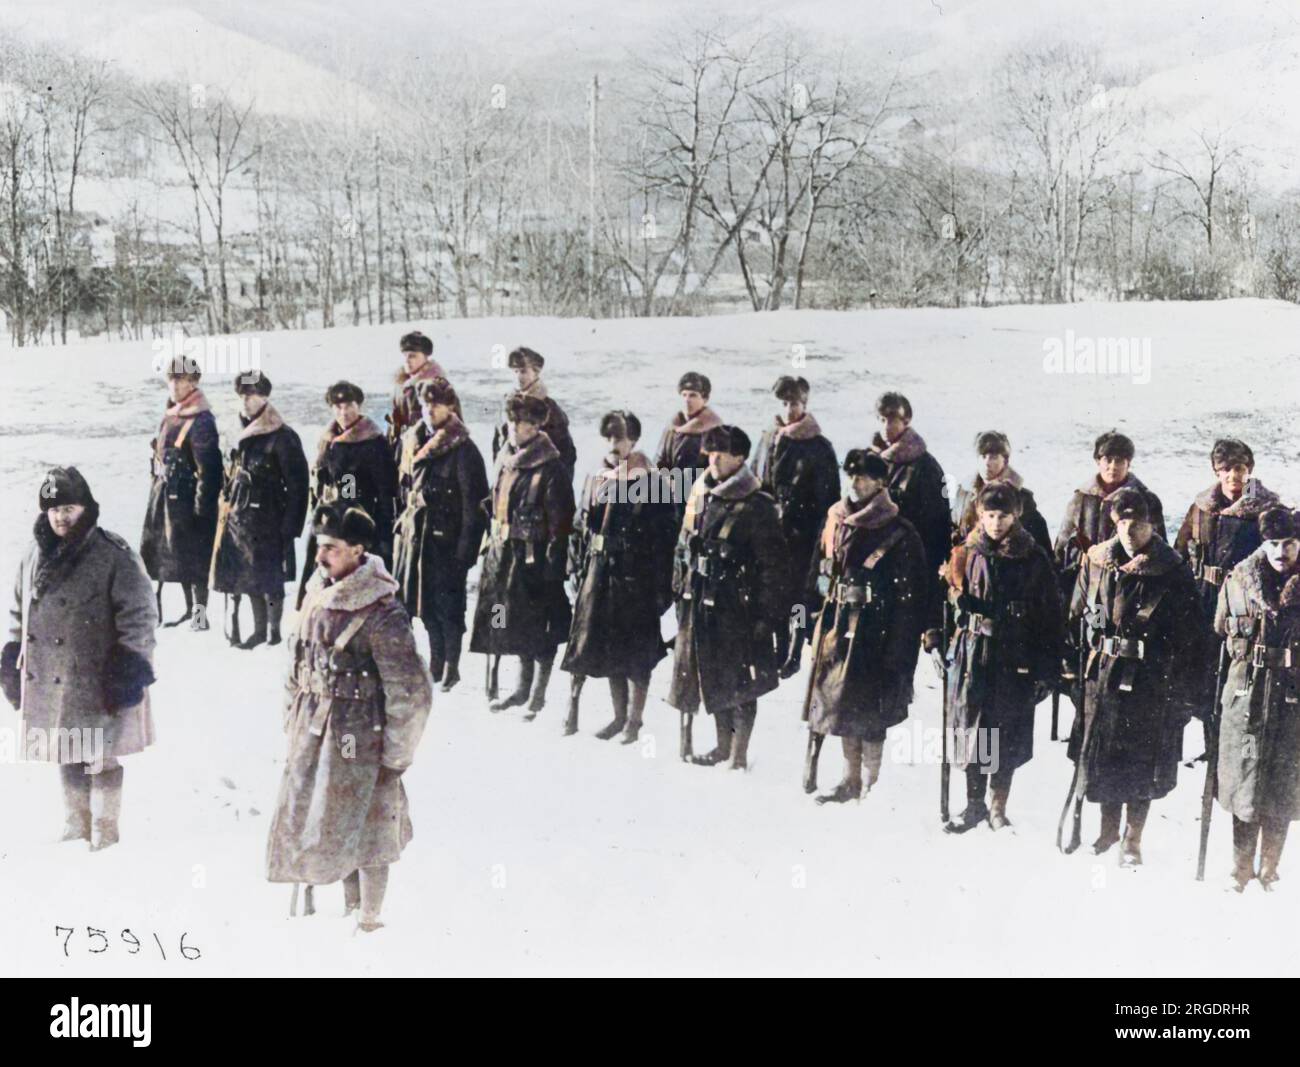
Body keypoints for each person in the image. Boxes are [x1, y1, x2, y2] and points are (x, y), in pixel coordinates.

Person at [266, 505, 433, 933]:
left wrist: (396, 756)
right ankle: (347, 909)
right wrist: (292, 718)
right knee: (324, 817)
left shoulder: (382, 612)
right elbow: (297, 661)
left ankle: (370, 920)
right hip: (314, 731)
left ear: (358, 551)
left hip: (362, 738)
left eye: (331, 549)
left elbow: (410, 693)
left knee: (371, 825)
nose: (320, 558)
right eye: (319, 547)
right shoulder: (317, 592)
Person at [2, 468, 158, 851]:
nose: (61, 517)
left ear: (85, 508)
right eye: (53, 509)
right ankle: (75, 826)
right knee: (66, 749)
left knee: (100, 757)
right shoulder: (33, 555)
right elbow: (18, 613)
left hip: (98, 679)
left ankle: (105, 833)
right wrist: (11, 655)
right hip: (54, 675)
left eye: (69, 507)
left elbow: (140, 617)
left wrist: (129, 669)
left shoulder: (113, 554)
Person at [1064, 488, 1205, 867]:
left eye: (1138, 522)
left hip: (1150, 681)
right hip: (1101, 676)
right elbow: (1076, 615)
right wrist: (1073, 669)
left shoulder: (1173, 570)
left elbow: (1191, 638)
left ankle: (1132, 839)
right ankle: (1108, 830)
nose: (1129, 529)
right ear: (1113, 521)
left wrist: (1183, 691)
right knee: (1103, 755)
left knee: (1141, 761)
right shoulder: (1096, 562)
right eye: (1122, 521)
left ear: (1152, 523)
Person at [803, 450, 926, 803]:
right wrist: (810, 616)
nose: (854, 484)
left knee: (872, 709)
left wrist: (901, 650)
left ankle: (873, 783)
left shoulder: (900, 532)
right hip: (836, 627)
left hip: (877, 632)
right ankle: (850, 779)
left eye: (863, 477)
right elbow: (818, 570)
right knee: (839, 703)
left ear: (881, 483)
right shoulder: (836, 521)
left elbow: (912, 599)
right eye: (851, 476)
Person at [943, 482, 1063, 832]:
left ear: (1016, 515)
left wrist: (1047, 669)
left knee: (1005, 730)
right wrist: (947, 624)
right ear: (980, 514)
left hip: (1015, 655)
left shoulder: (1033, 557)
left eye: (1004, 515)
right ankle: (973, 804)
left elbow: (1051, 616)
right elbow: (951, 599)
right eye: (991, 515)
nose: (997, 523)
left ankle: (998, 806)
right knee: (972, 728)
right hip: (971, 654)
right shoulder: (966, 552)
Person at [668, 424, 789, 770]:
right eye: (710, 452)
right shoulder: (701, 494)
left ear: (740, 457)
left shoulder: (758, 504)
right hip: (700, 599)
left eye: (721, 453)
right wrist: (679, 590)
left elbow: (773, 568)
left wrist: (767, 617)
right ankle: (722, 746)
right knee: (708, 672)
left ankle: (739, 754)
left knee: (741, 682)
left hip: (738, 606)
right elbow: (682, 545)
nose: (713, 459)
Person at [561, 411, 677, 742]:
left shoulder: (651, 482)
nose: (614, 445)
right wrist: (576, 568)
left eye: (620, 439)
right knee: (607, 643)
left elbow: (665, 538)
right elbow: (580, 527)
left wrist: (660, 588)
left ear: (634, 442)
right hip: (599, 572)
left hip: (635, 576)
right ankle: (617, 717)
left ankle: (634, 722)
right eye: (609, 438)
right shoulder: (596, 477)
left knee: (637, 649)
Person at [470, 392, 576, 717]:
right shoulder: (507, 461)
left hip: (535, 562)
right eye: (512, 422)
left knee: (540, 627)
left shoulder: (551, 467)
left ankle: (538, 694)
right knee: (506, 621)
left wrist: (554, 571)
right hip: (502, 557)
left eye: (524, 423)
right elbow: (495, 502)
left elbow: (561, 525)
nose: (516, 428)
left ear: (537, 426)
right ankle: (519, 688)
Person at [1214, 507, 1300, 892]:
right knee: (1245, 782)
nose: (1281, 551)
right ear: (1263, 544)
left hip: (1293, 702)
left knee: (1282, 783)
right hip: (1246, 702)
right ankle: (1240, 867)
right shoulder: (1238, 581)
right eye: (1273, 544)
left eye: (1290, 544)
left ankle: (1270, 869)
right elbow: (1220, 630)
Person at [393, 377, 489, 692]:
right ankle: (435, 663)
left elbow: (473, 507)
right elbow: (405, 487)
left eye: (436, 404)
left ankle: (452, 667)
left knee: (449, 608)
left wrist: (466, 551)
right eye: (425, 404)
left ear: (450, 407)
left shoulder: (464, 450)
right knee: (426, 606)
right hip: (417, 541)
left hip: (447, 544)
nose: (430, 410)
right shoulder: (413, 442)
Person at [210, 372, 310, 649]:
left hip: (271, 519)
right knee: (249, 574)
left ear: (265, 398)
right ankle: (258, 631)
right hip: (241, 518)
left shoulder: (283, 436)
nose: (246, 400)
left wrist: (291, 527)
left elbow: (299, 486)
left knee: (271, 577)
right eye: (242, 395)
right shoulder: (237, 432)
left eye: (252, 395)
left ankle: (274, 632)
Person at [752, 375, 839, 675]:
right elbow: (756, 480)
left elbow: (829, 501)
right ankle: (778, 647)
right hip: (771, 532)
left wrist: (820, 538)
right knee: (774, 588)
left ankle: (795, 649)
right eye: (785, 403)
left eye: (796, 403)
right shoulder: (767, 439)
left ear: (806, 404)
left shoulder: (819, 447)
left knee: (800, 594)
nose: (790, 409)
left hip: (803, 535)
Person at [140, 357, 222, 629]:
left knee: (196, 559)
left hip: (190, 502)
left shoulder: (201, 420)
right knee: (178, 555)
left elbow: (209, 470)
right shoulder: (171, 413)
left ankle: (200, 616)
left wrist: (202, 508)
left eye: (181, 380)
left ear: (193, 382)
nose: (174, 386)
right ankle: (189, 611)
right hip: (166, 497)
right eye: (171, 380)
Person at [301, 380, 399, 604]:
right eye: (338, 407)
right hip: (329, 520)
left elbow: (386, 491)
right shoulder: (328, 440)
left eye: (349, 406)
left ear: (359, 407)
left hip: (360, 523)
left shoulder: (374, 442)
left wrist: (383, 534)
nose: (343, 412)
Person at [868, 391, 950, 640]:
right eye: (881, 420)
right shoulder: (869, 461)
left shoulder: (925, 467)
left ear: (907, 421)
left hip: (908, 564)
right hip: (874, 565)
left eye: (892, 420)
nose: (886, 427)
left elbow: (938, 527)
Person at [1054, 429, 1166, 603]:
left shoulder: (1146, 500)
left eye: (1119, 460)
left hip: (1131, 585)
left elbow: (1159, 548)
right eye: (1107, 459)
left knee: (1123, 626)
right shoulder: (1081, 499)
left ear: (1128, 463)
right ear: (1098, 461)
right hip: (1090, 584)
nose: (1113, 466)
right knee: (1095, 623)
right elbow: (1062, 546)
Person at [949, 430, 1051, 555]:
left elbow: (1039, 544)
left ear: (1005, 461)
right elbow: (954, 529)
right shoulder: (964, 493)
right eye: (983, 456)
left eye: (993, 457)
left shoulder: (1021, 498)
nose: (987, 463)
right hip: (971, 567)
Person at [490, 347, 576, 479]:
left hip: (540, 484)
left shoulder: (551, 410)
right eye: (515, 371)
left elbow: (566, 456)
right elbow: (498, 445)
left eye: (523, 371)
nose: (518, 376)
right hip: (509, 478)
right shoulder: (506, 406)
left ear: (536, 372)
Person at [655, 371, 723, 522]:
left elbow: (719, 467)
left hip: (699, 497)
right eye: (684, 395)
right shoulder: (672, 427)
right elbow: (659, 460)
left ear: (704, 399)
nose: (687, 400)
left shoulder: (714, 429)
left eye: (693, 395)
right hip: (669, 494)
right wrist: (668, 480)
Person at [388, 331, 452, 457]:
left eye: (412, 356)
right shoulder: (400, 386)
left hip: (427, 450)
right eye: (405, 355)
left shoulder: (437, 385)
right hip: (403, 449)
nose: (407, 360)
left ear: (425, 357)